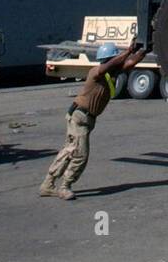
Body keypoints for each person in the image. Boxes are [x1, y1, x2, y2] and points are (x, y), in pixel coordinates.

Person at [39, 41, 146, 200]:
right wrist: (128, 51)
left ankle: (47, 185)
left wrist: (143, 51)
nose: (117, 61)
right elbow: (114, 63)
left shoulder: (110, 75)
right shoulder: (96, 72)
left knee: (69, 151)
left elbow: (130, 63)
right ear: (108, 59)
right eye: (113, 58)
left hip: (86, 119)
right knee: (80, 155)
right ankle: (64, 187)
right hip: (79, 117)